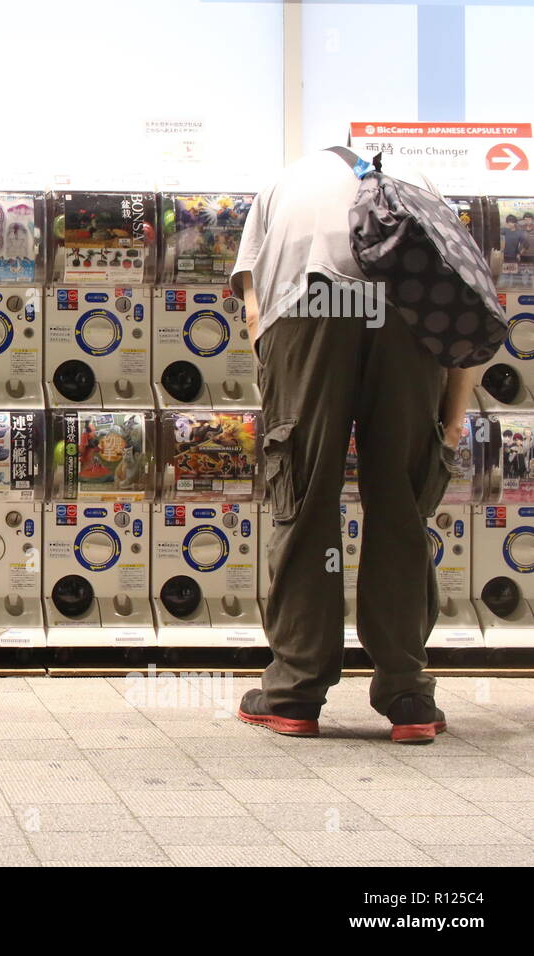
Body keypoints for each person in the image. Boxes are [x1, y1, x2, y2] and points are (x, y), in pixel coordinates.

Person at [231, 148, 475, 744]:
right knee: (401, 504)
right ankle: (408, 695)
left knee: (306, 494)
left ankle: (294, 694)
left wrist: (282, 381)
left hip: (312, 305)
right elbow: (466, 306)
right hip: (408, 316)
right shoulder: (420, 187)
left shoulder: (281, 185)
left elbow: (254, 305)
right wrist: (449, 422)